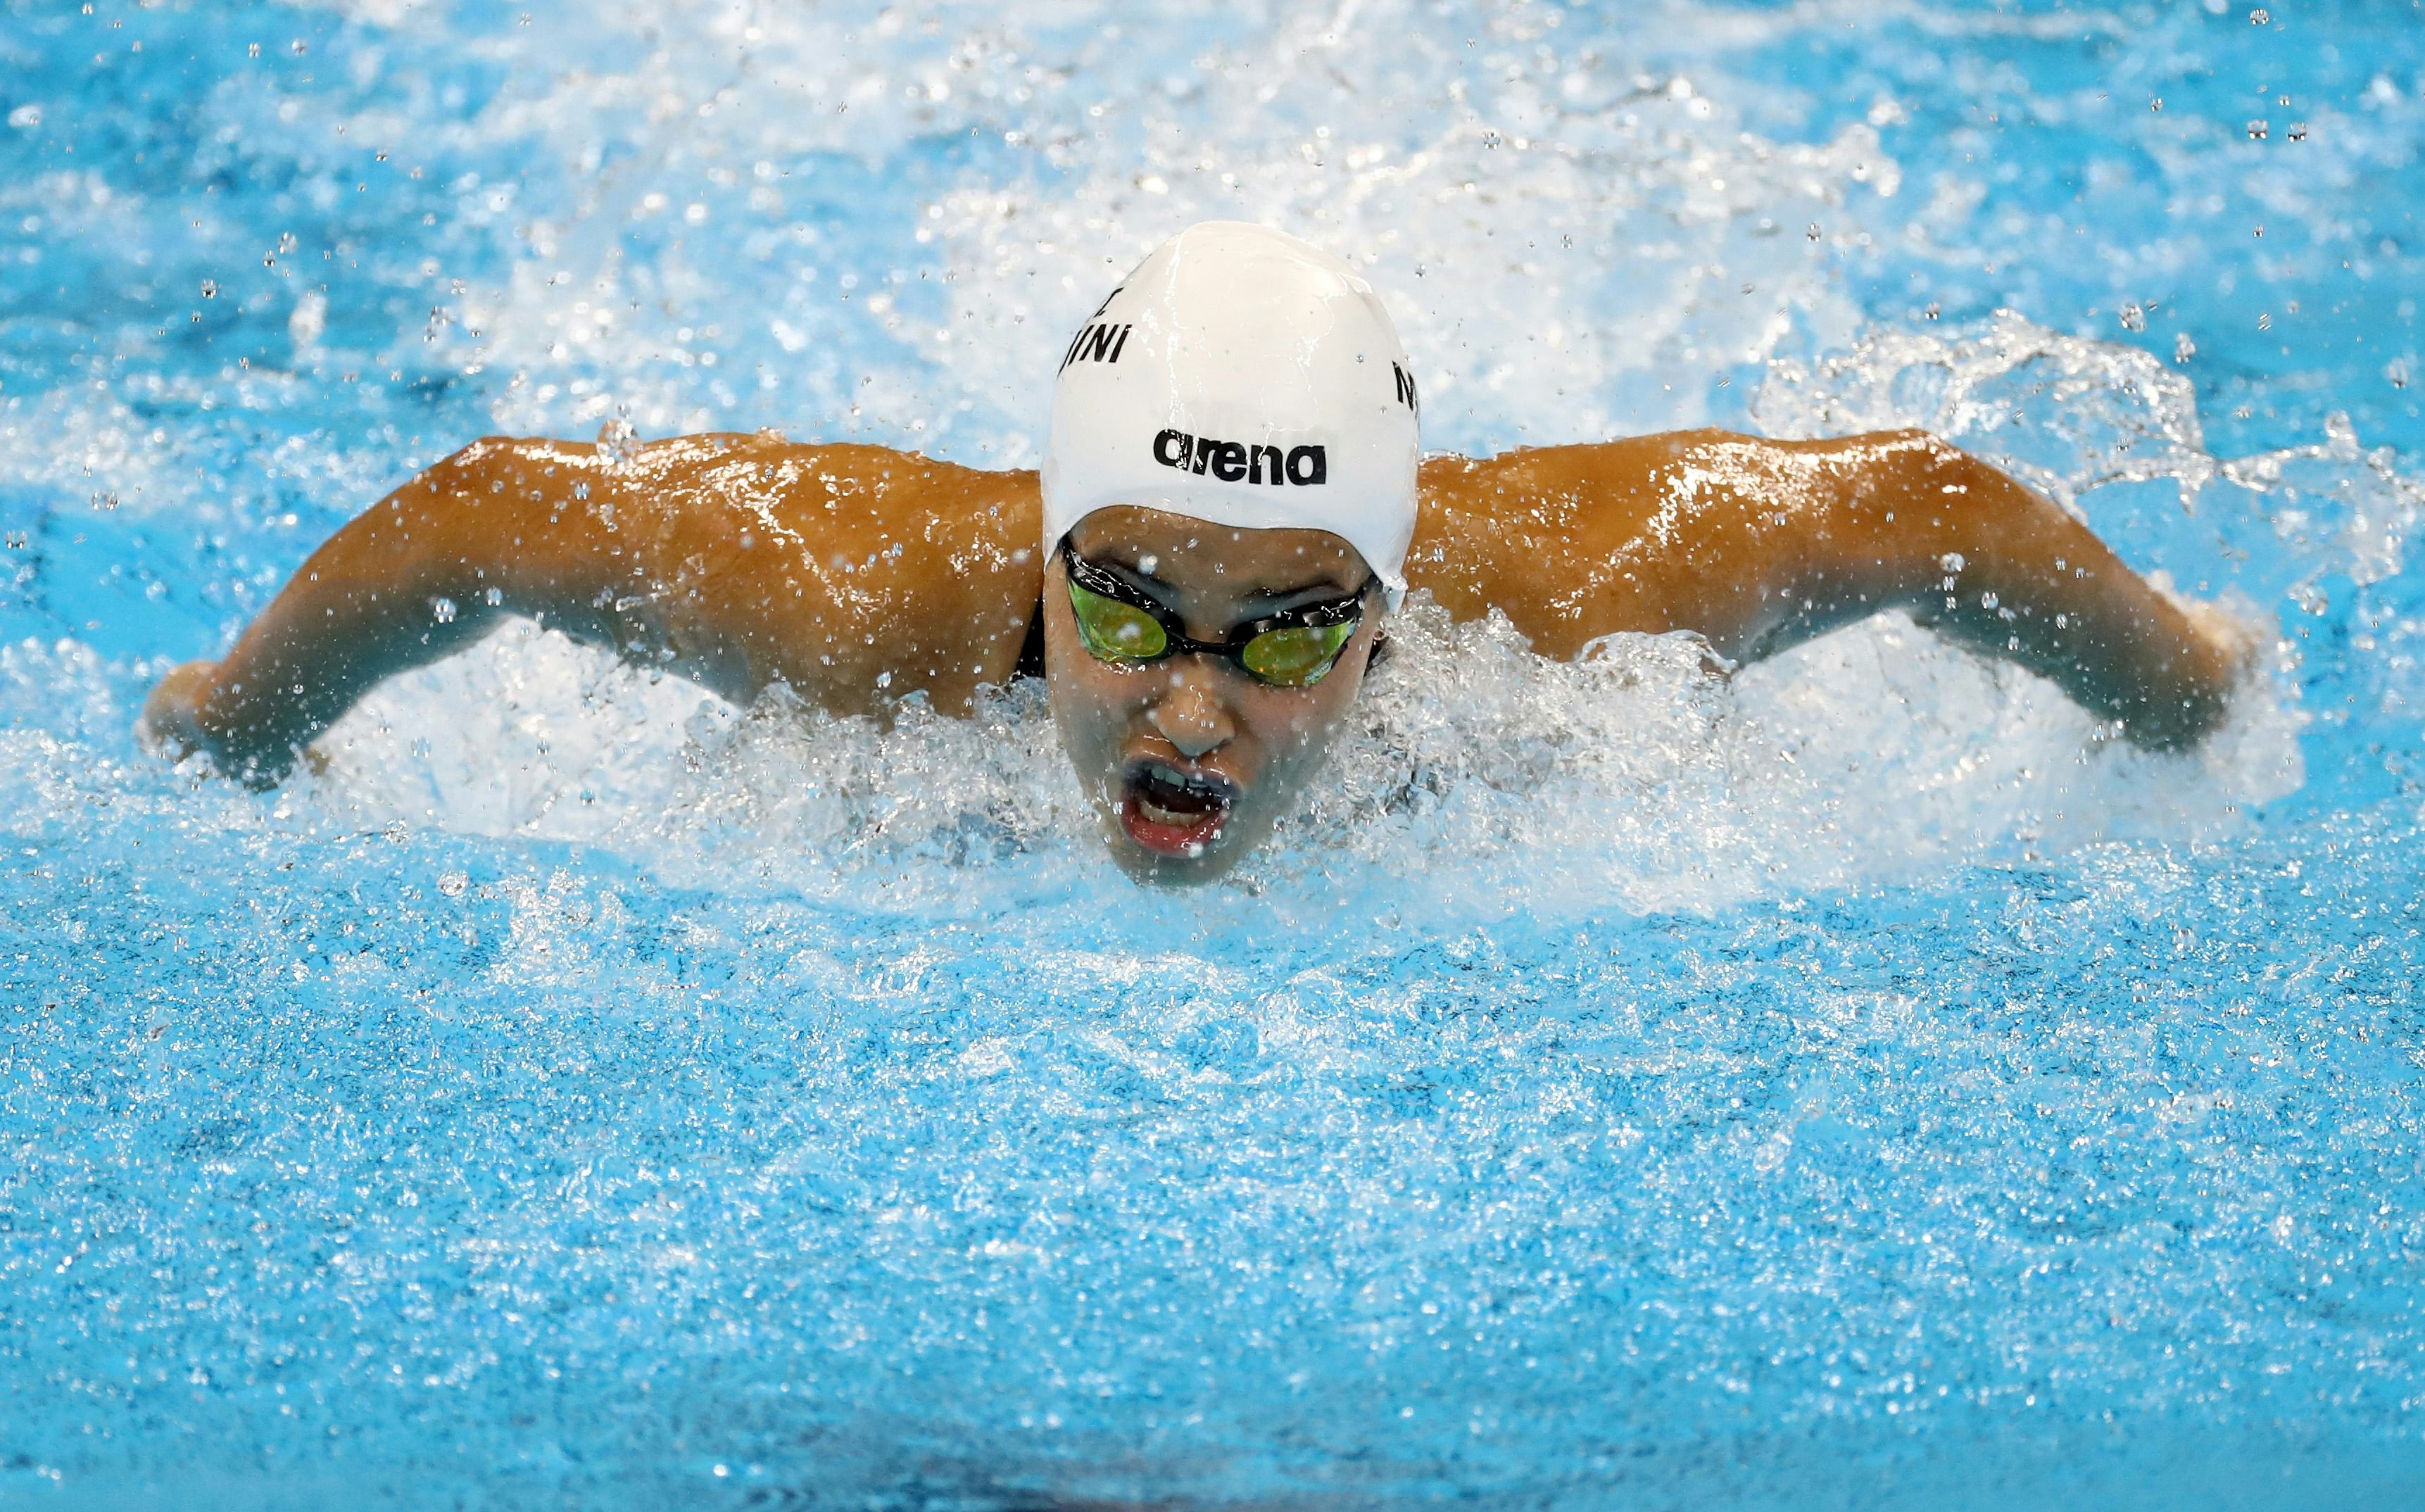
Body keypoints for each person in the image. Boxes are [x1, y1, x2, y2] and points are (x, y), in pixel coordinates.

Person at [142, 222, 2249, 884]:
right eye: (1131, 604)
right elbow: (499, 514)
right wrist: (237, 725)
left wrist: (2189, 690)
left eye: (1290, 631)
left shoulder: (1570, 614)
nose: (1193, 699)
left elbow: (1918, 510)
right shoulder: (865, 610)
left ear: (1390, 609)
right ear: (1052, 558)